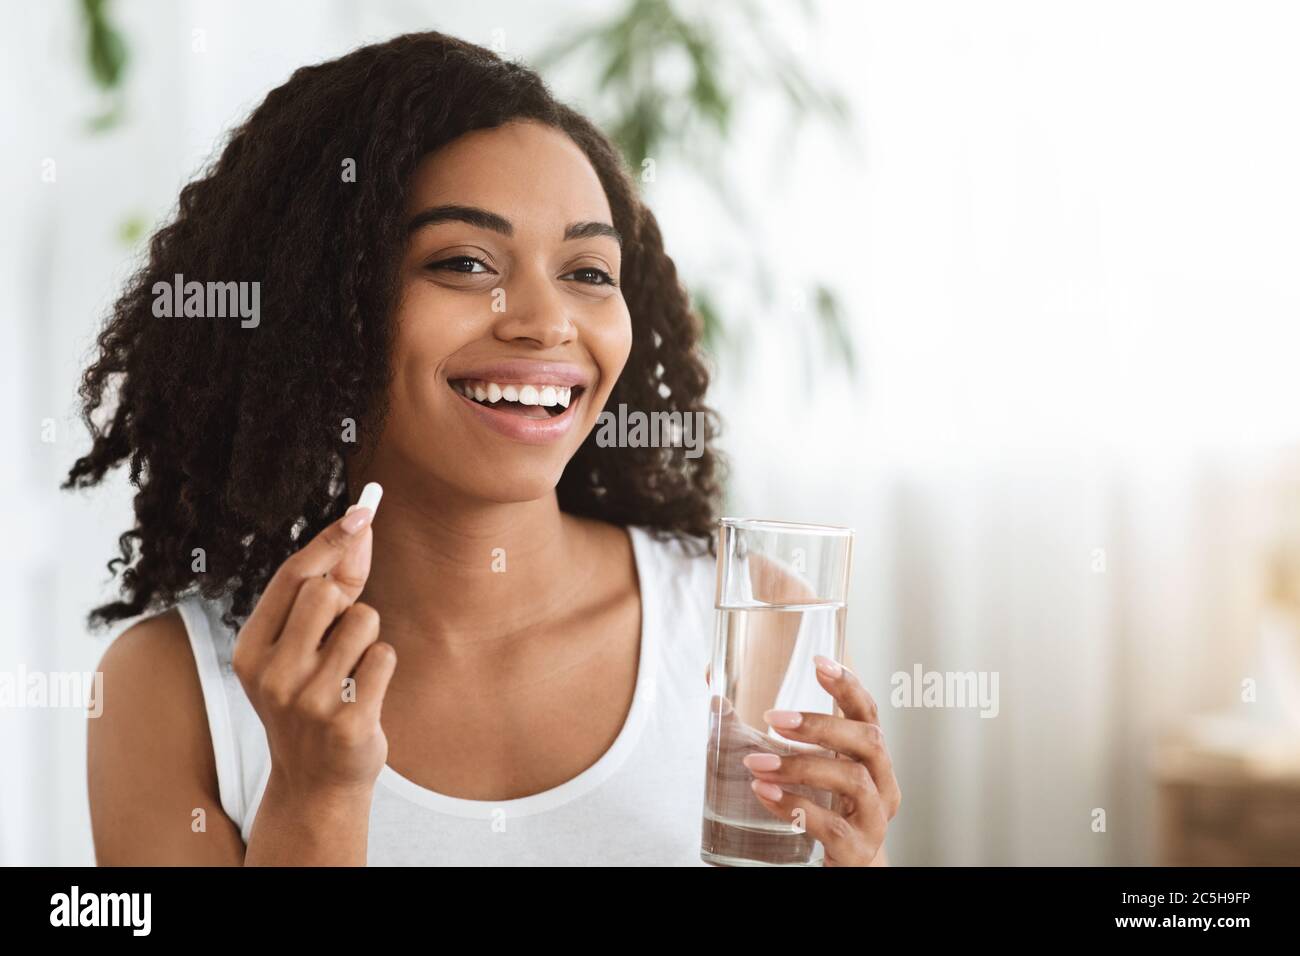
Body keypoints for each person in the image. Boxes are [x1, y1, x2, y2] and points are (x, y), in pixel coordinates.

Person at [67, 31, 899, 866]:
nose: (544, 321)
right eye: (464, 262)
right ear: (323, 309)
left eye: (588, 271)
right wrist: (315, 796)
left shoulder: (757, 622)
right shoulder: (172, 690)